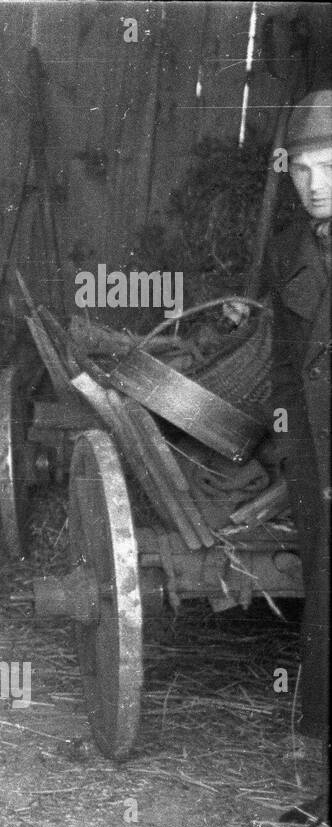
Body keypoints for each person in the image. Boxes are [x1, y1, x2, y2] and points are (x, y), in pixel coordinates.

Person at [264, 89, 330, 743]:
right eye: (304, 170)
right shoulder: (291, 254)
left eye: (330, 169)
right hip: (319, 462)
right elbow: (285, 370)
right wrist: (292, 450)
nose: (315, 185)